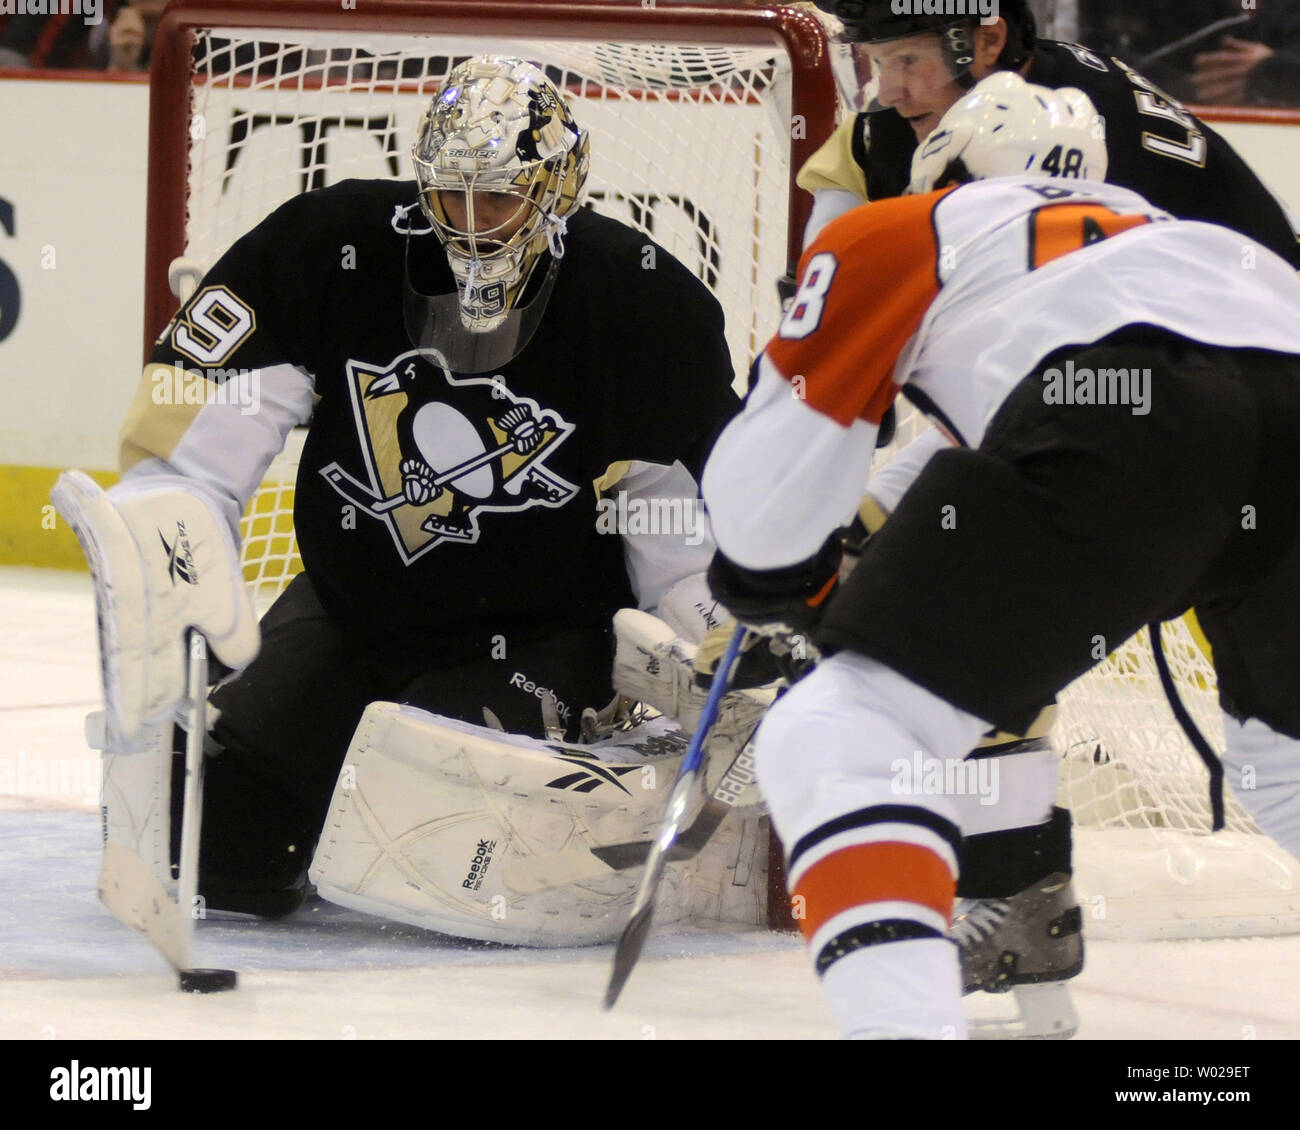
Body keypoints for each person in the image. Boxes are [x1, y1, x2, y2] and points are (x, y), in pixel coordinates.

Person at [54, 56, 748, 936]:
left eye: (495, 198)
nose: (468, 225)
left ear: (557, 188)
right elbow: (204, 442)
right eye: (448, 195)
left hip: (546, 625)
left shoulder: (636, 296)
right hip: (358, 612)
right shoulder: (334, 247)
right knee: (215, 849)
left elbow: (670, 504)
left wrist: (710, 633)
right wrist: (171, 546)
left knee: (429, 829)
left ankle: (589, 726)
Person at [700, 72, 1300, 1039]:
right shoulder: (1181, 240)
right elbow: (995, 444)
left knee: (840, 733)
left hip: (1129, 417)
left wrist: (792, 589)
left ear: (943, 173)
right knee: (1288, 767)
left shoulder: (902, 230)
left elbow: (760, 519)